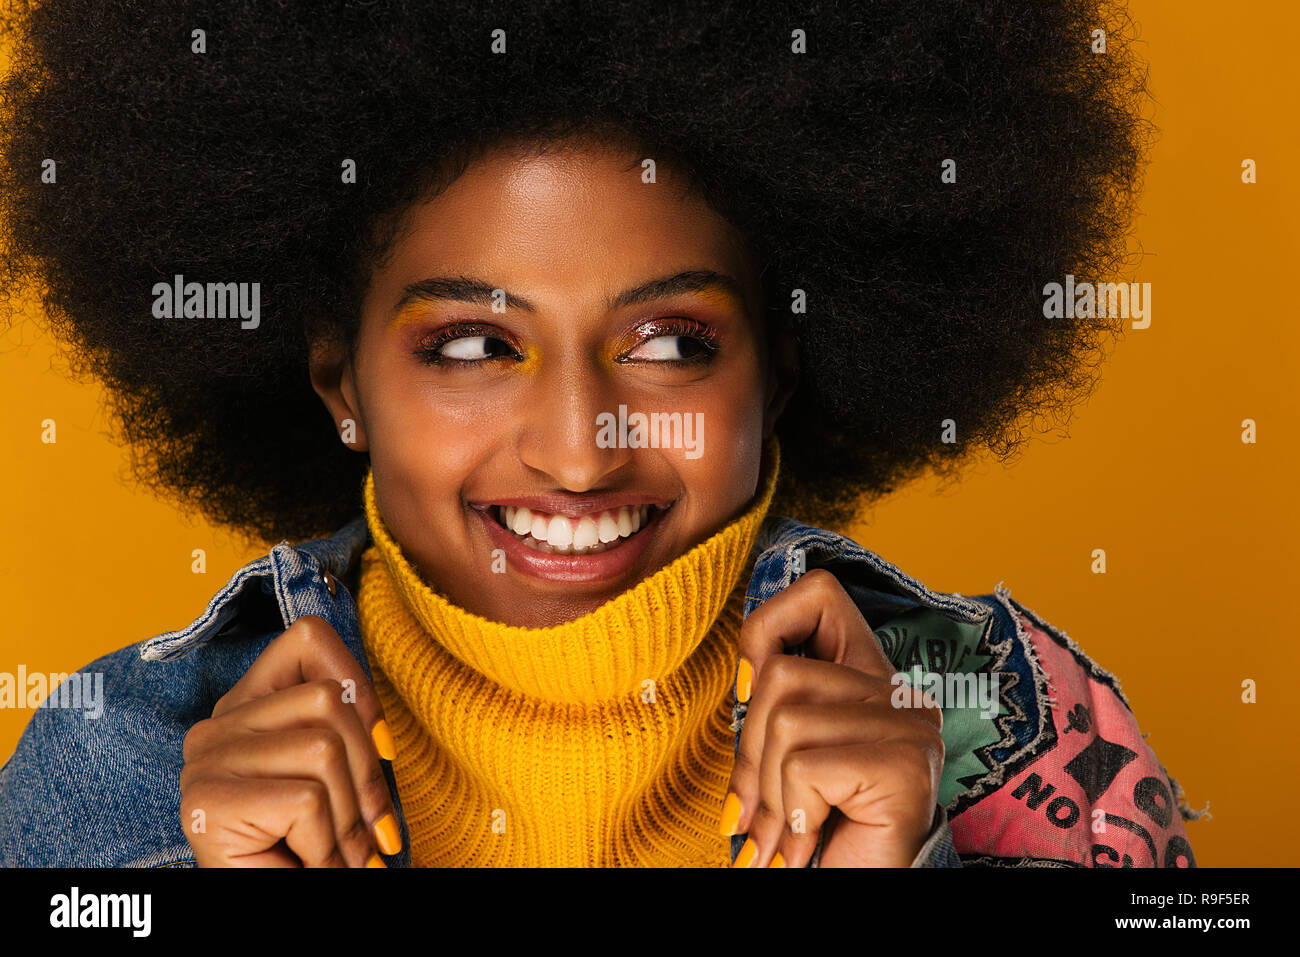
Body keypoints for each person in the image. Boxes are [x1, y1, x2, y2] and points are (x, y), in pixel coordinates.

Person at [0, 0, 1198, 867]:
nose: (578, 450)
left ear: (776, 370)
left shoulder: (1026, 728)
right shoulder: (126, 768)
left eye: (671, 342)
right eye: (470, 346)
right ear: (337, 377)